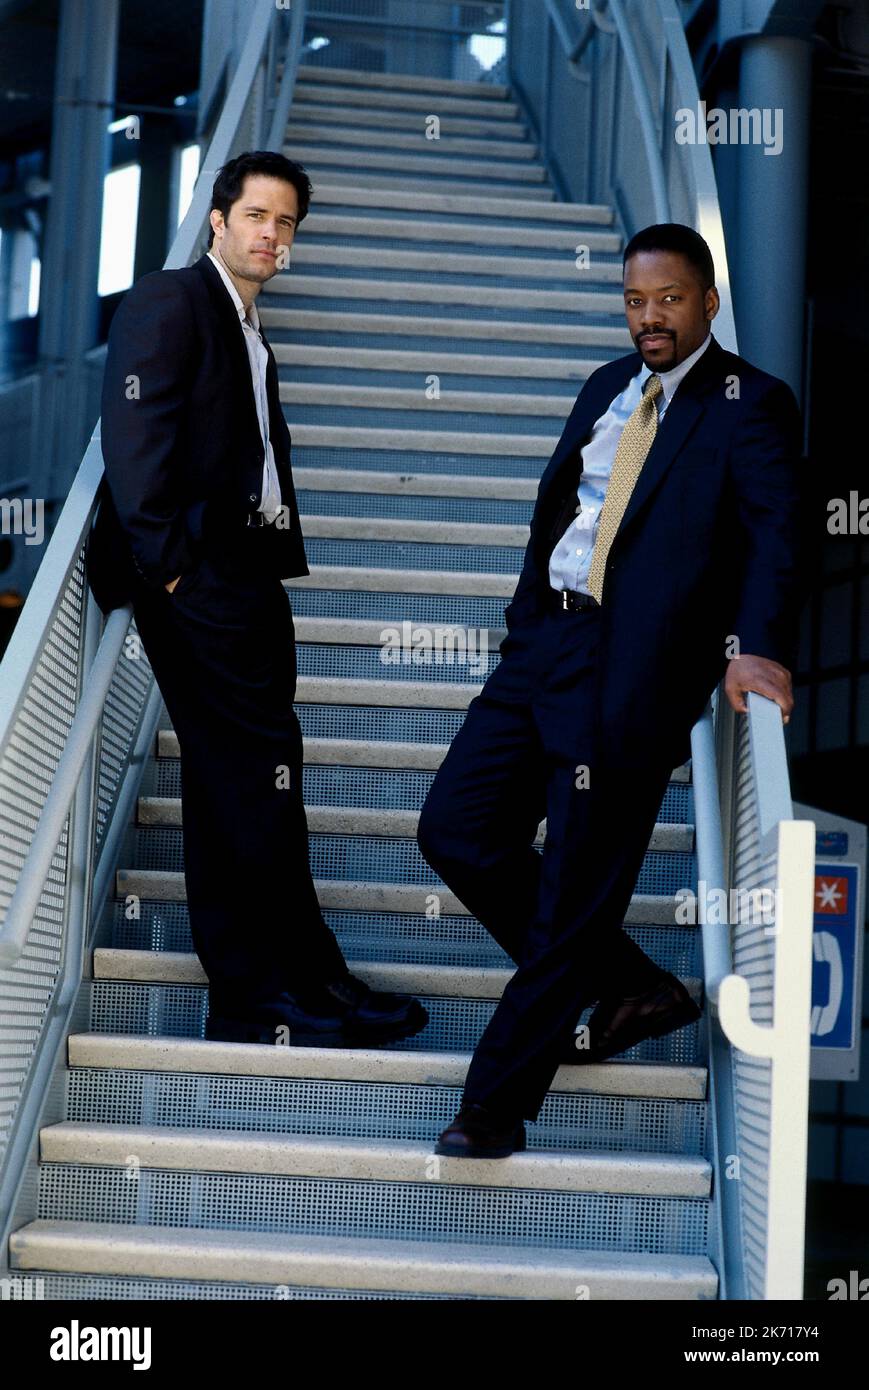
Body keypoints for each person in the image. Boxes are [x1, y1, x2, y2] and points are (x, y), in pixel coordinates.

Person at [417, 223, 806, 1159]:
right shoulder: (605, 387)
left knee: (571, 895)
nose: (648, 319)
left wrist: (753, 649)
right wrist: (526, 622)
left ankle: (495, 1108)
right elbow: (561, 508)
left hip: (633, 673)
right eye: (634, 301)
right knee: (456, 831)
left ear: (707, 301)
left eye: (667, 300)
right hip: (545, 645)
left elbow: (772, 534)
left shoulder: (748, 403)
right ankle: (639, 987)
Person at [85, 150, 428, 1048]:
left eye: (286, 225)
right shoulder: (171, 301)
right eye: (258, 217)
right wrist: (172, 573)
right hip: (197, 580)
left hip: (246, 576)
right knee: (243, 782)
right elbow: (134, 443)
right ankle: (258, 994)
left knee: (258, 779)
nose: (272, 236)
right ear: (218, 219)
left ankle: (306, 976)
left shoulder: (246, 323)